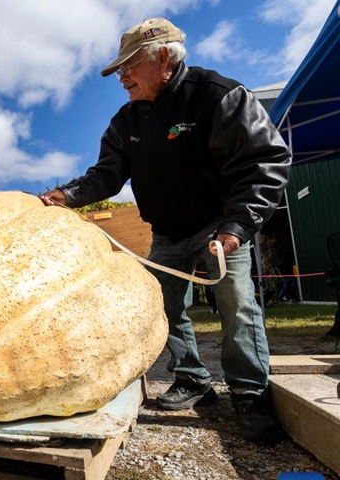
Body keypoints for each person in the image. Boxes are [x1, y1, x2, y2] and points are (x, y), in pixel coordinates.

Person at [39, 18, 291, 442]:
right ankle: (193, 379)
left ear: (162, 59)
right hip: (167, 233)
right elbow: (106, 174)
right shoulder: (127, 121)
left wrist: (237, 226)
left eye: (129, 67)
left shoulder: (218, 96)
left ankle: (250, 392)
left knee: (236, 304)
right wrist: (67, 194)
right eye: (119, 70)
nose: (122, 78)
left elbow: (265, 163)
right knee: (158, 307)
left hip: (219, 227)